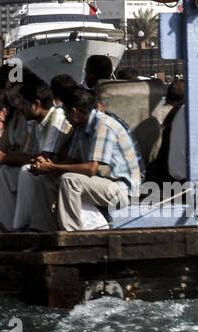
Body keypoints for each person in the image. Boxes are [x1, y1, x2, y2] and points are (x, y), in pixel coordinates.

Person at [17, 85, 143, 231]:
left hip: (122, 191)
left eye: (65, 112)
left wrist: (52, 167)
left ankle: (71, 233)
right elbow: (70, 162)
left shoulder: (104, 126)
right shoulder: (80, 127)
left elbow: (90, 169)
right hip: (100, 184)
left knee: (70, 180)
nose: (65, 117)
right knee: (45, 179)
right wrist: (46, 167)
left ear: (74, 112)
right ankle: (43, 230)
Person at [0, 78, 71, 229]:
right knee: (5, 172)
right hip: (39, 171)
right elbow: (25, 154)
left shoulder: (57, 119)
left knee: (23, 171)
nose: (19, 107)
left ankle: (22, 226)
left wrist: (3, 158)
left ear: (36, 104)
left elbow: (43, 159)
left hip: (54, 174)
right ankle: (3, 225)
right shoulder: (34, 122)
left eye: (23, 103)